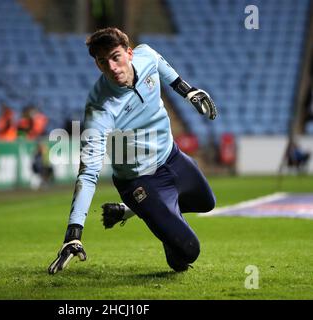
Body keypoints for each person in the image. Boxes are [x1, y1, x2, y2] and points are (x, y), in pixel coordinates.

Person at [48, 28, 217, 274]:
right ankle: (143, 207)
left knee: (206, 202)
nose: (112, 67)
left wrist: (187, 90)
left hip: (173, 157)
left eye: (116, 57)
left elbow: (158, 61)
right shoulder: (100, 107)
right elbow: (88, 171)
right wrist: (73, 233)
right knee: (187, 253)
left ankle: (132, 211)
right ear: (97, 65)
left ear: (129, 53)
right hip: (140, 181)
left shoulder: (145, 55)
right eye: (103, 62)